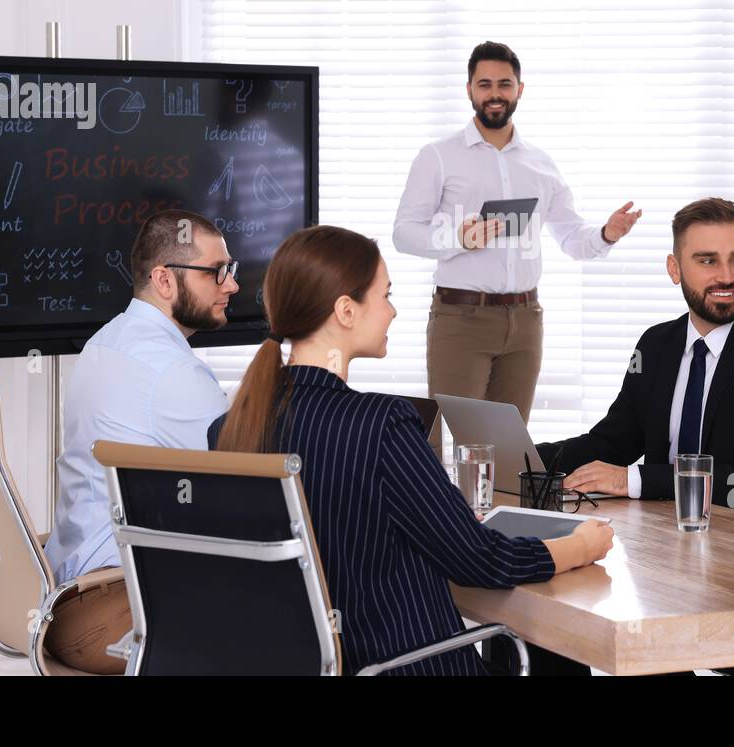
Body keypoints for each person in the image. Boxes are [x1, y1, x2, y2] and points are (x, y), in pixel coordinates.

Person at [210, 224, 614, 675]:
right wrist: (579, 546)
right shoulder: (381, 424)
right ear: (346, 310)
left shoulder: (229, 429)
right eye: (385, 296)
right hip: (407, 665)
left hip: (323, 663)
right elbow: (478, 560)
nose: (394, 312)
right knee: (561, 652)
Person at [393, 41, 641, 451]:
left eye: (504, 84)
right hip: (461, 320)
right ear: (469, 89)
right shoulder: (438, 156)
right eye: (485, 83)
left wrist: (606, 235)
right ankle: (444, 517)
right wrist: (458, 238)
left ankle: (498, 518)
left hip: (525, 322)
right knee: (449, 447)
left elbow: (571, 235)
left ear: (520, 89)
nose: (495, 93)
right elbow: (404, 233)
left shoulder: (540, 164)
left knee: (508, 450)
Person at [537, 197, 734, 521]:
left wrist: (635, 479)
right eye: (707, 261)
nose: (727, 276)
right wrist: (524, 459)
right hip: (663, 532)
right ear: (675, 269)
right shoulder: (655, 345)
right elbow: (611, 444)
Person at [42, 209, 238, 674]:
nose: (231, 286)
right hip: (114, 613)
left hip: (65, 601)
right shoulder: (173, 371)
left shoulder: (106, 341)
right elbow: (249, 488)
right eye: (217, 272)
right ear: (164, 280)